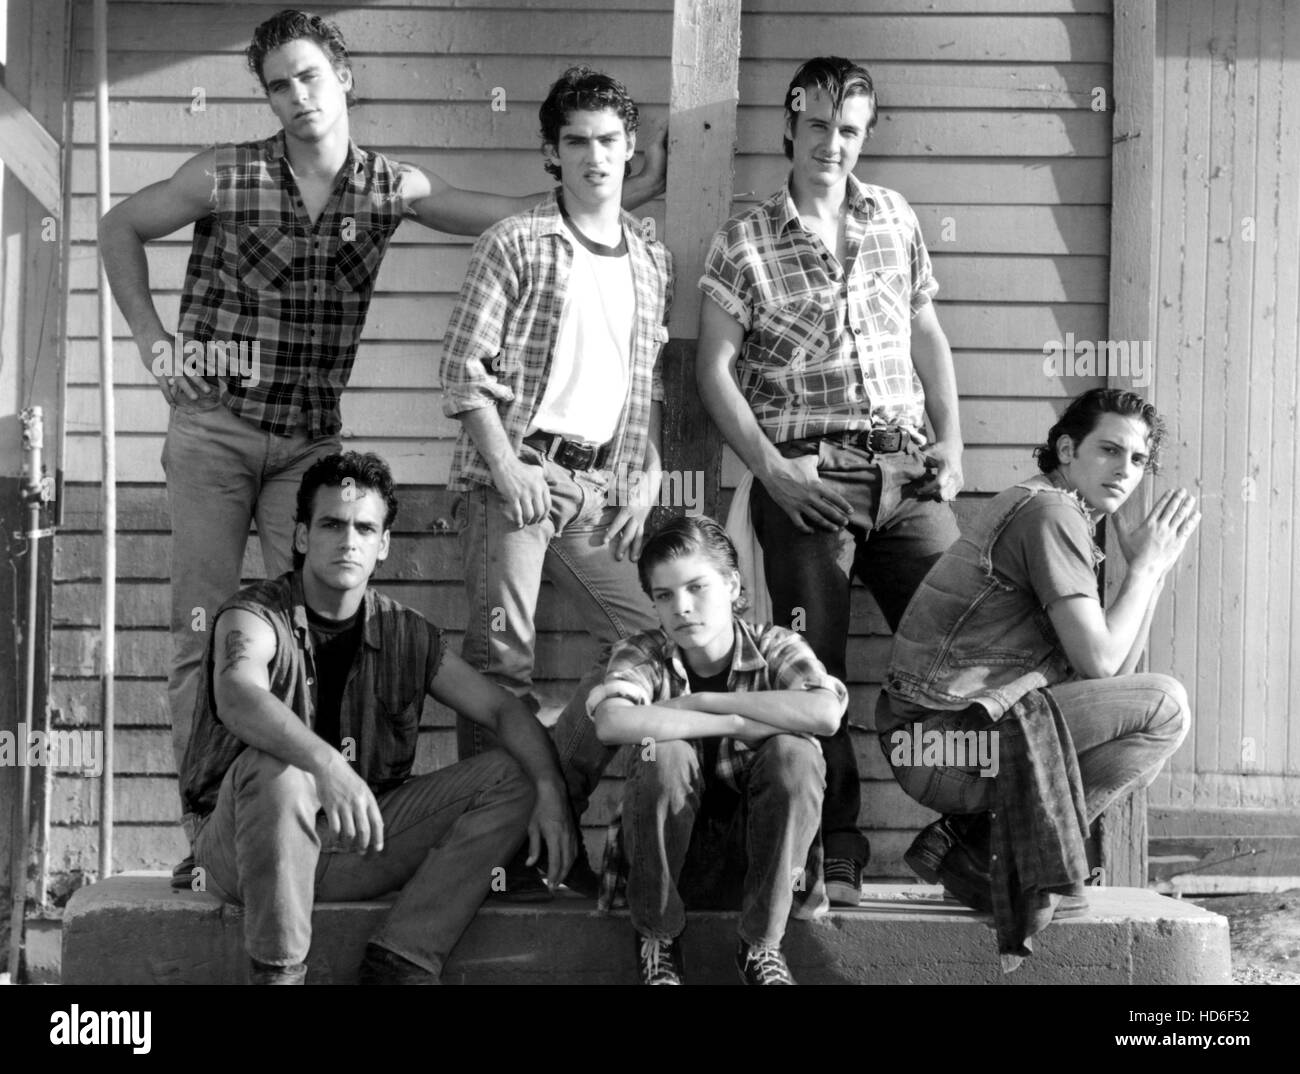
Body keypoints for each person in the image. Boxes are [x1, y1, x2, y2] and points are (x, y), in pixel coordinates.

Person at [97, 9, 667, 785]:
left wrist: (624, 186)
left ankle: (307, 810)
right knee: (208, 632)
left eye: (310, 77)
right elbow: (119, 225)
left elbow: (521, 219)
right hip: (214, 432)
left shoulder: (388, 185)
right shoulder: (224, 173)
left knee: (318, 625)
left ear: (344, 78)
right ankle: (207, 824)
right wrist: (152, 341)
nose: (298, 97)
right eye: (279, 86)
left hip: (309, 444)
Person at [695, 56, 963, 905]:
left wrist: (952, 442)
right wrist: (770, 470)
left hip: (908, 473)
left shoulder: (895, 219)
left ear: (864, 136)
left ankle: (970, 824)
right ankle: (836, 845)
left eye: (849, 130)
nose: (833, 144)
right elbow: (714, 370)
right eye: (818, 126)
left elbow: (927, 337)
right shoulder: (745, 240)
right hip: (809, 476)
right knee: (818, 664)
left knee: (959, 642)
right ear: (790, 125)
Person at [179, 451, 577, 984]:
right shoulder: (253, 615)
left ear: (383, 545)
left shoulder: (405, 631)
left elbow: (502, 709)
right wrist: (326, 765)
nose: (349, 541)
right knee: (281, 772)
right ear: (301, 537)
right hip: (244, 850)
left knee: (514, 775)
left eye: (365, 528)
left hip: (355, 844)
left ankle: (401, 960)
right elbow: (237, 693)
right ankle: (279, 976)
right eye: (332, 525)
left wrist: (550, 788)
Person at [440, 66, 673, 897]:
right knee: (501, 662)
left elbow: (640, 378)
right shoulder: (514, 242)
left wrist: (643, 473)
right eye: (576, 142)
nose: (595, 156)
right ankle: (492, 849)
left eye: (610, 140)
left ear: (631, 149)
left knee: (651, 636)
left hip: (598, 489)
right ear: (552, 152)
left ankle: (554, 807)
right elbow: (462, 370)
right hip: (516, 476)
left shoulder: (649, 260)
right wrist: (505, 467)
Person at [879, 388, 1198, 926]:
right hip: (939, 743)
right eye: (1110, 450)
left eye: (1138, 459)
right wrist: (1143, 571)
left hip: (952, 739)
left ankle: (981, 850)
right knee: (1165, 705)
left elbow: (1116, 673)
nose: (1124, 470)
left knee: (1146, 735)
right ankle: (985, 853)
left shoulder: (1063, 509)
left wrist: (1152, 570)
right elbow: (1101, 662)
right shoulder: (1049, 512)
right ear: (1068, 450)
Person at [588, 516, 843, 985]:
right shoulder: (643, 652)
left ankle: (761, 948)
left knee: (796, 754)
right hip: (666, 867)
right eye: (663, 596)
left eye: (696, 587)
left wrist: (705, 700)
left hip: (760, 863)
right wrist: (734, 723)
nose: (681, 608)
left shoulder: (776, 645)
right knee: (661, 755)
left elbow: (825, 713)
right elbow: (611, 721)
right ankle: (658, 943)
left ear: (731, 584)